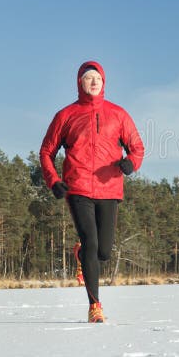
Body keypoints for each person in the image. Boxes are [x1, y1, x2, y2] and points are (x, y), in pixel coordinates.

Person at [40, 61, 144, 323]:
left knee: (104, 251)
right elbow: (46, 152)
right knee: (91, 240)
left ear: (104, 82)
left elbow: (137, 147)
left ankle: (80, 253)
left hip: (110, 187)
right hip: (78, 187)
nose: (94, 82)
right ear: (80, 83)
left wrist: (131, 163)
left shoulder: (118, 114)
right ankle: (94, 305)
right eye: (88, 78)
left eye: (97, 78)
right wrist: (54, 181)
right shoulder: (65, 115)